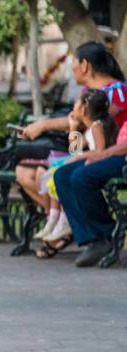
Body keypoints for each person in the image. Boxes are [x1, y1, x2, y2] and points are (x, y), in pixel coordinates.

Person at [23, 42, 127, 267]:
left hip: (119, 153)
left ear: (85, 65)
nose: (72, 69)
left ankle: (107, 235)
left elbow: (93, 120)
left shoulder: (116, 91)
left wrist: (44, 125)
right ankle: (91, 239)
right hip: (101, 153)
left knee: (81, 177)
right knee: (62, 176)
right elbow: (80, 130)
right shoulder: (90, 94)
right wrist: (72, 126)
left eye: (74, 64)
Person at [33, 92, 114, 258]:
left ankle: (60, 220)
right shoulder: (90, 128)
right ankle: (55, 219)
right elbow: (75, 149)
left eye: (75, 107)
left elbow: (100, 151)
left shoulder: (98, 126)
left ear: (84, 110)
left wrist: (80, 157)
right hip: (89, 162)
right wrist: (73, 127)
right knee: (57, 173)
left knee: (62, 173)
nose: (72, 110)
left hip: (96, 164)